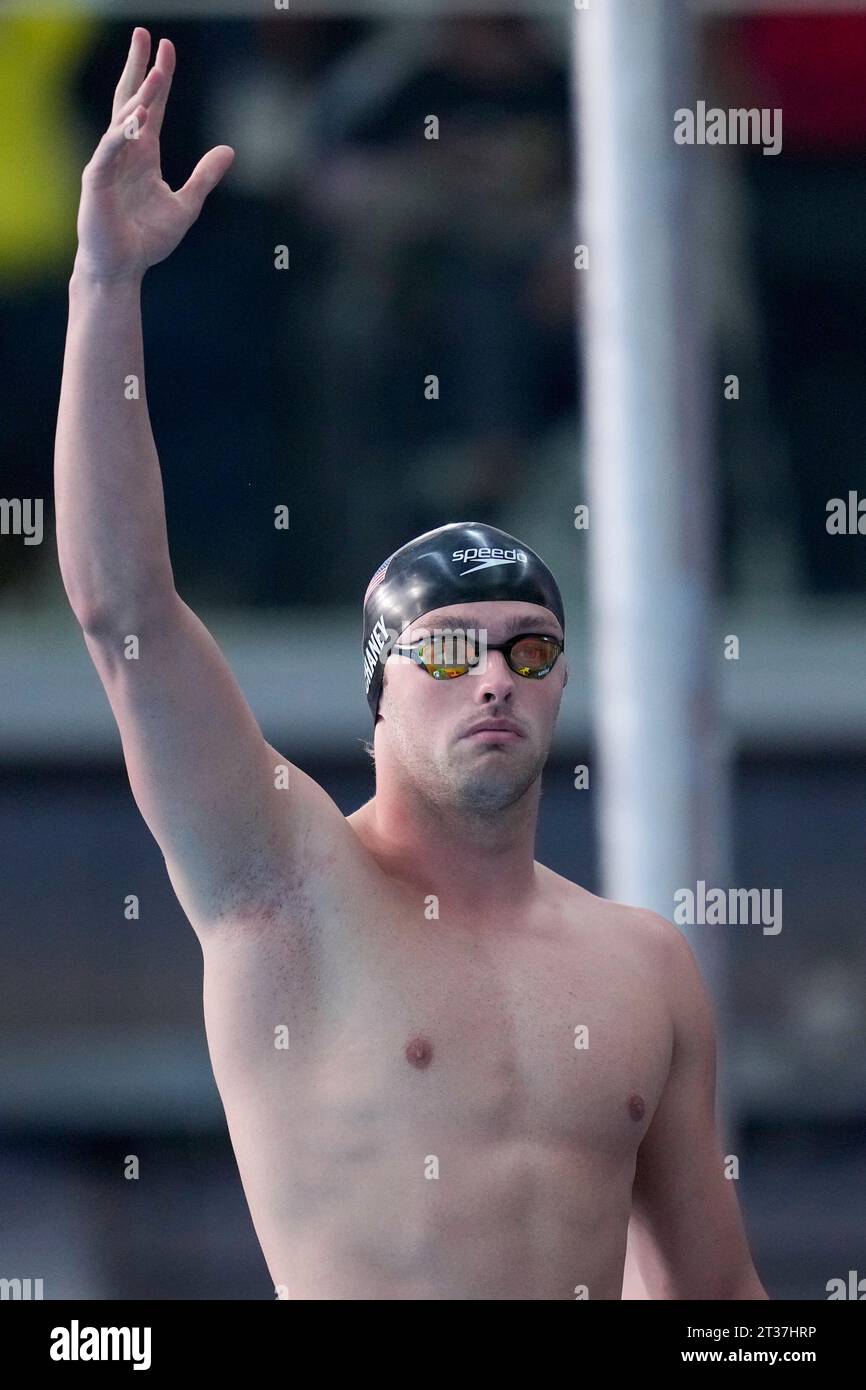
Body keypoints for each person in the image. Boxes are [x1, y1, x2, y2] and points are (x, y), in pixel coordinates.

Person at [55, 27, 768, 1300]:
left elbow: (715, 1307)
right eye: (448, 650)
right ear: (379, 695)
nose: (494, 677)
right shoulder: (285, 881)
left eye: (528, 650)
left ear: (559, 687)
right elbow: (126, 614)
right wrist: (105, 279)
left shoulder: (643, 966)